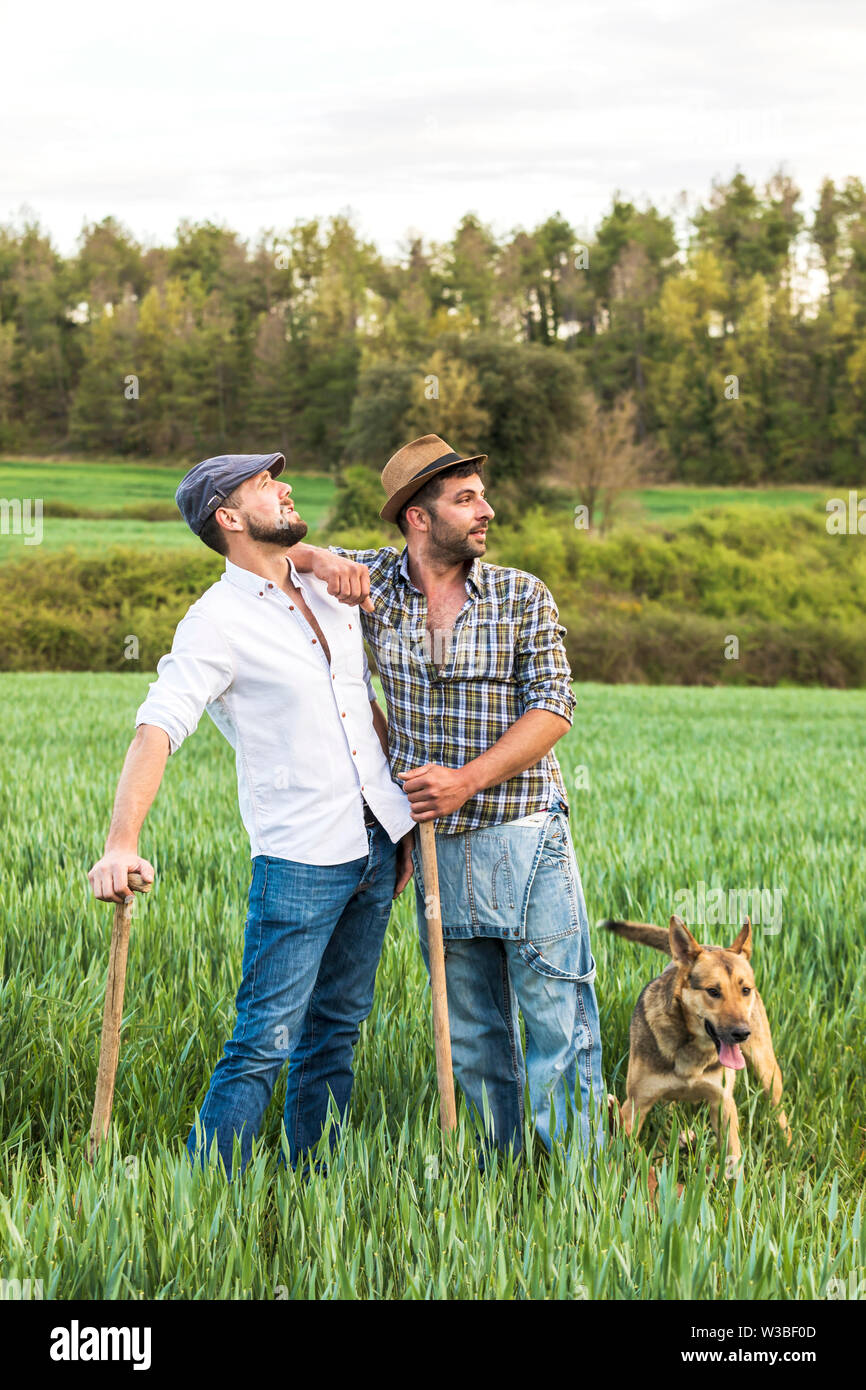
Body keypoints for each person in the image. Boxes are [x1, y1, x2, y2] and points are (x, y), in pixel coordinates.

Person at [87, 453, 415, 1177]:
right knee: (264, 1039)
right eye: (266, 484)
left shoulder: (325, 587)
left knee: (336, 1032)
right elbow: (159, 725)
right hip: (300, 857)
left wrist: (404, 826)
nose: (286, 486)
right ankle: (205, 1198)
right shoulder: (217, 623)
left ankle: (315, 1184)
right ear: (228, 519)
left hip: (377, 840)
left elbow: (359, 709)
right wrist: (121, 842)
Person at [293, 434, 606, 1163]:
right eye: (465, 499)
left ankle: (579, 1184)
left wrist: (464, 780)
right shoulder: (370, 584)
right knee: (472, 1032)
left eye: (481, 496)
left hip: (527, 833)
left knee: (559, 1017)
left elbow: (554, 709)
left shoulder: (521, 595)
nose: (486, 511)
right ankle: (503, 1175)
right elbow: (280, 561)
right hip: (438, 850)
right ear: (417, 518)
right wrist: (317, 560)